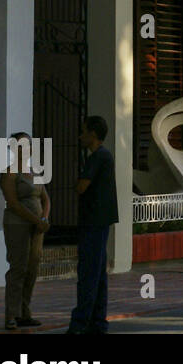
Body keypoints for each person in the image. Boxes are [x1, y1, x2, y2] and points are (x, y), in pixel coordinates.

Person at [68, 115, 117, 335]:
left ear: (93, 134)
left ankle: (81, 322)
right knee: (98, 273)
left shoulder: (97, 157)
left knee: (89, 272)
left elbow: (81, 186)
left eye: (84, 131)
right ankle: (97, 321)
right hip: (100, 221)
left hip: (93, 221)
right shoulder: (104, 157)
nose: (81, 136)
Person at [0, 132, 50, 330]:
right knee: (18, 267)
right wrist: (37, 220)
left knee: (32, 268)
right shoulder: (9, 173)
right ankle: (11, 315)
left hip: (37, 227)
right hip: (17, 225)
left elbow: (45, 198)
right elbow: (12, 203)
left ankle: (24, 312)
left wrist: (44, 218)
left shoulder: (34, 171)